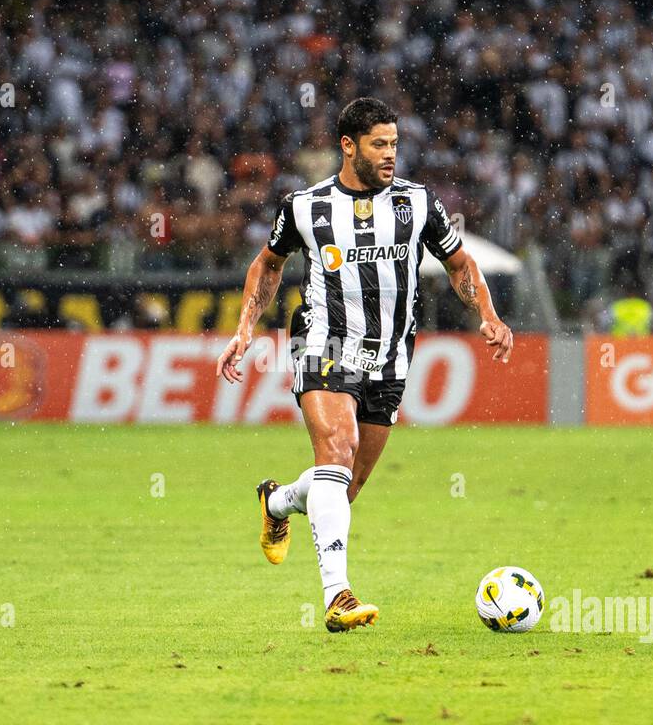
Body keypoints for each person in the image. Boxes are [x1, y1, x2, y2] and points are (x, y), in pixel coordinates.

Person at [215, 97, 514, 633]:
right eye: (379, 144)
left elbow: (459, 263)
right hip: (323, 342)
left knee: (342, 488)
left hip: (391, 357)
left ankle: (279, 502)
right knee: (337, 450)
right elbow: (267, 265)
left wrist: (488, 316)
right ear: (348, 146)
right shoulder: (305, 206)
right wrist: (244, 330)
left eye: (395, 144)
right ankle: (339, 597)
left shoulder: (417, 204)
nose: (390, 154)